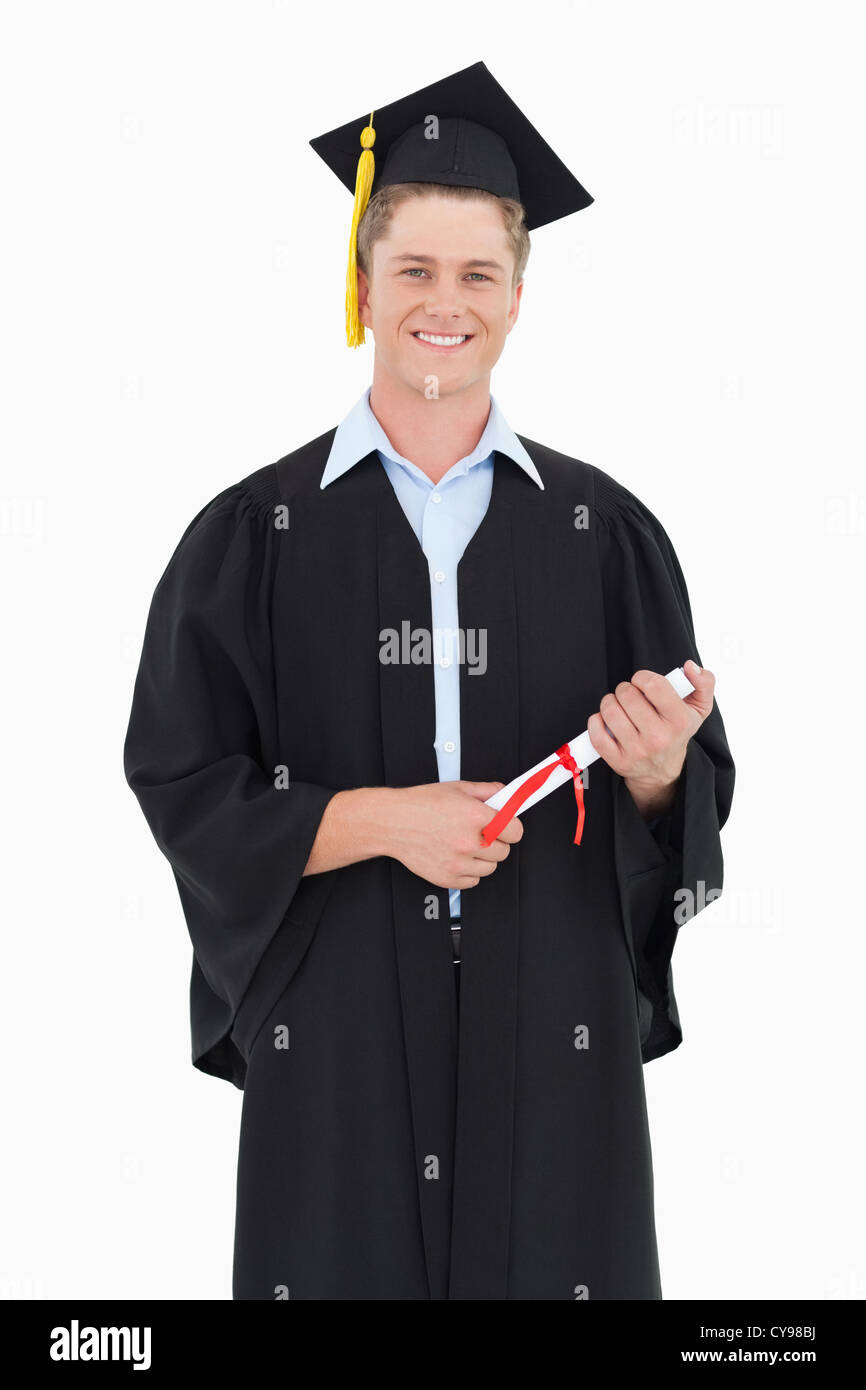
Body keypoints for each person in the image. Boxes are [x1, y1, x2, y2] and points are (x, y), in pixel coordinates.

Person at [124, 61, 735, 1300]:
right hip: (339, 1019)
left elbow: (686, 804)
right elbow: (181, 777)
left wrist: (661, 771)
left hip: (549, 1014)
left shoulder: (602, 531)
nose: (441, 303)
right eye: (411, 269)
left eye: (475, 275)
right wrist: (381, 822)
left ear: (517, 298)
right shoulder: (255, 532)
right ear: (361, 284)